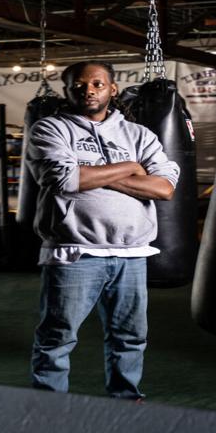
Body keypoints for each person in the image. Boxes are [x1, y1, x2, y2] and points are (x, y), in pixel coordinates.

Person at [23, 60, 179, 400]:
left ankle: (125, 399)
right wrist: (131, 168)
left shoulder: (140, 135)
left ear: (112, 89)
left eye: (97, 83)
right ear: (67, 90)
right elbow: (64, 179)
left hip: (132, 255)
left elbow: (165, 188)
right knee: (57, 337)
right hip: (75, 253)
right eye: (79, 84)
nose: (88, 89)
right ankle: (49, 406)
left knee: (130, 336)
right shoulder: (51, 130)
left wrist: (93, 176)